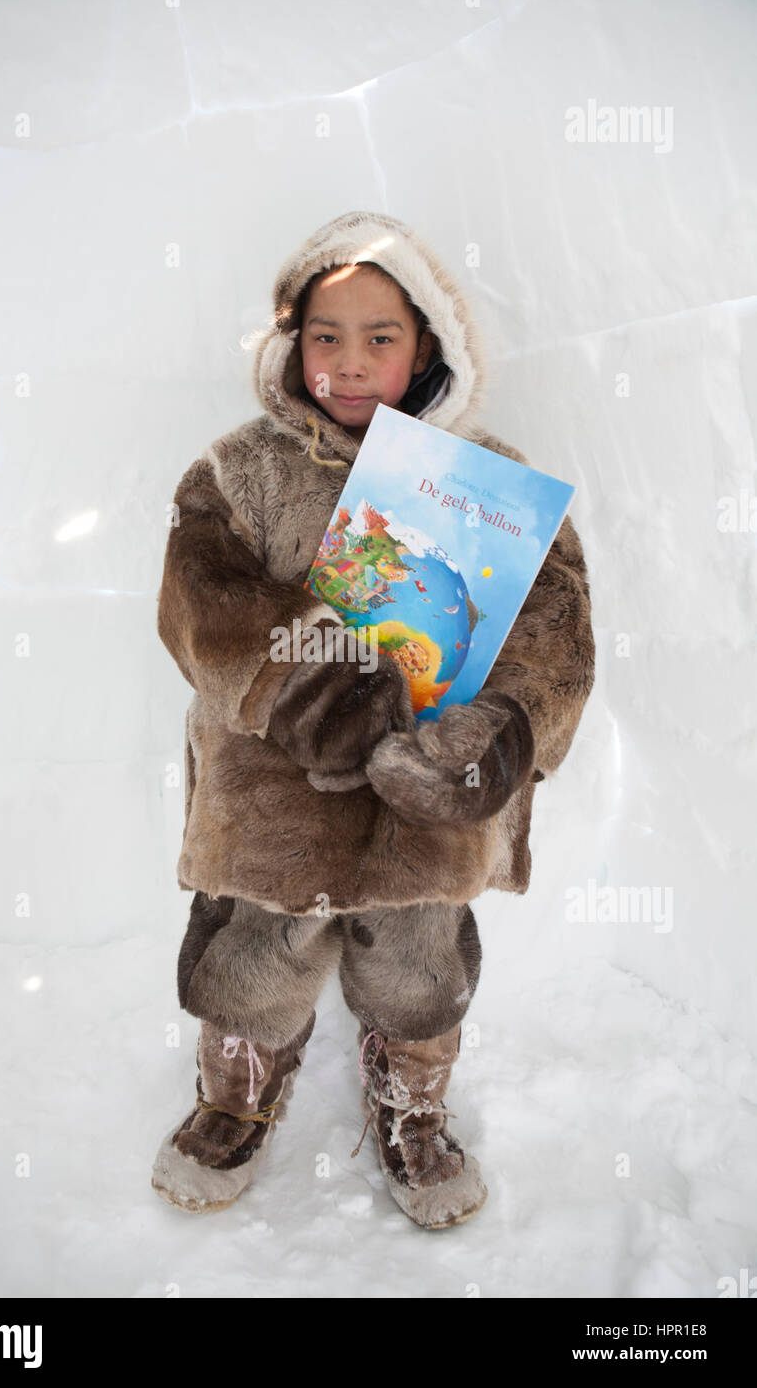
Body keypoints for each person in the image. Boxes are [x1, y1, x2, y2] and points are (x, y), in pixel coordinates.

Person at [151, 211, 595, 1230]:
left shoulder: (489, 488)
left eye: (379, 337)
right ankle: (240, 1081)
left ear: (427, 346)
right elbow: (199, 607)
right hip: (274, 803)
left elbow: (552, 634)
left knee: (417, 965)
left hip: (424, 813)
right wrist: (311, 688)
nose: (347, 362)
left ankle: (410, 1099)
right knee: (256, 954)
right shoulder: (240, 471)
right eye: (323, 335)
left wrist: (497, 736)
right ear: (289, 341)